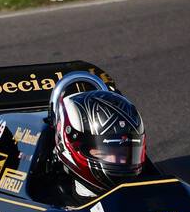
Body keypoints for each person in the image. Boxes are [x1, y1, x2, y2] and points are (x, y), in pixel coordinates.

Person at [43, 72, 148, 203]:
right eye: (105, 153)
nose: (119, 161)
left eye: (124, 154)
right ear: (70, 145)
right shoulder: (52, 205)